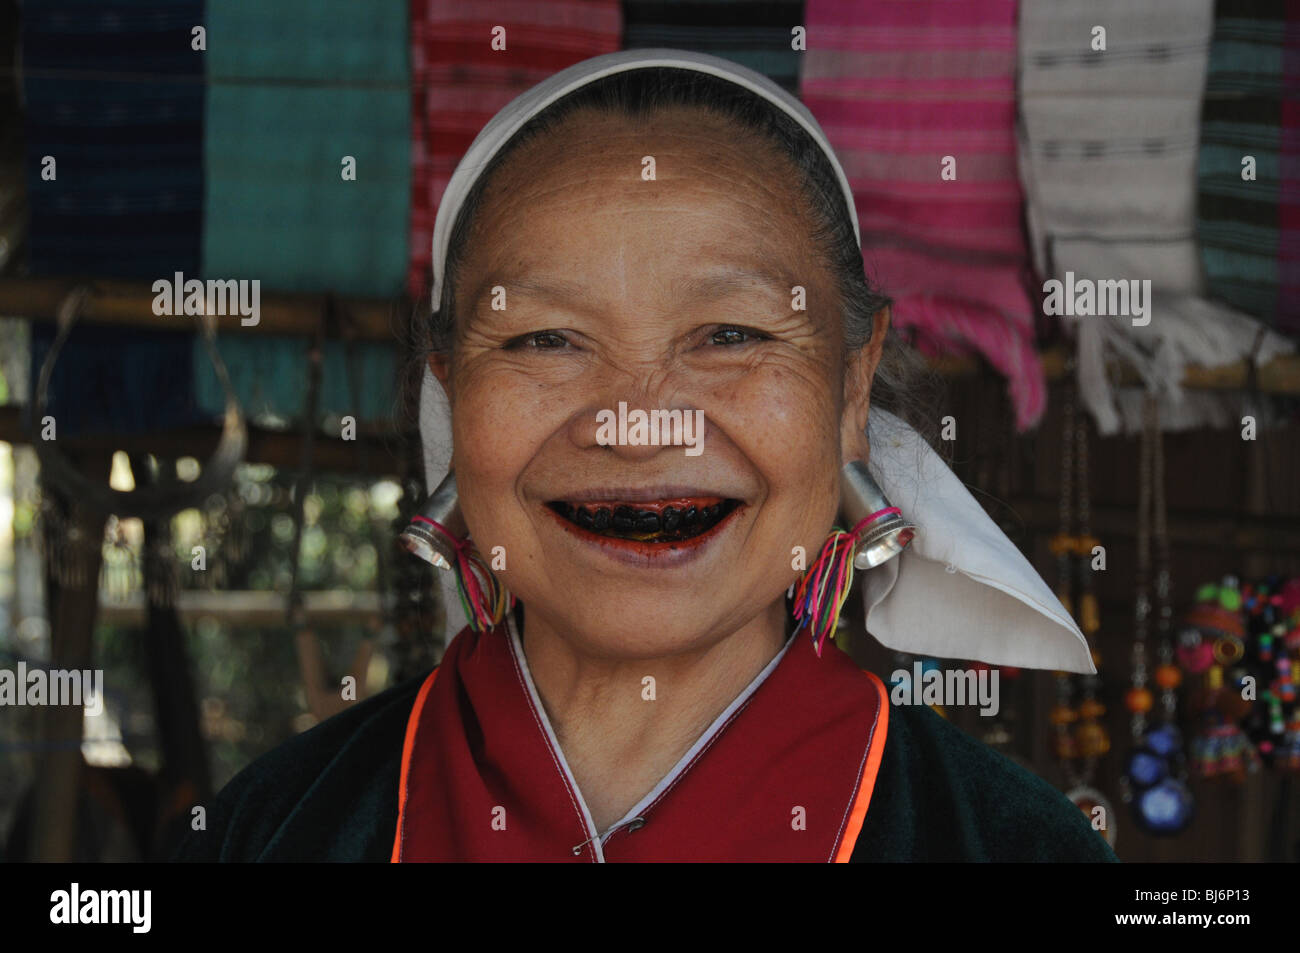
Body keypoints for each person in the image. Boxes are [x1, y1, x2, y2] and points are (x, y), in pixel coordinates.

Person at [175, 50, 1118, 863]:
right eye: (546, 339)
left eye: (732, 334)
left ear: (851, 389)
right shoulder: (270, 831)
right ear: (451, 387)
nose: (637, 424)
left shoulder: (1014, 846)